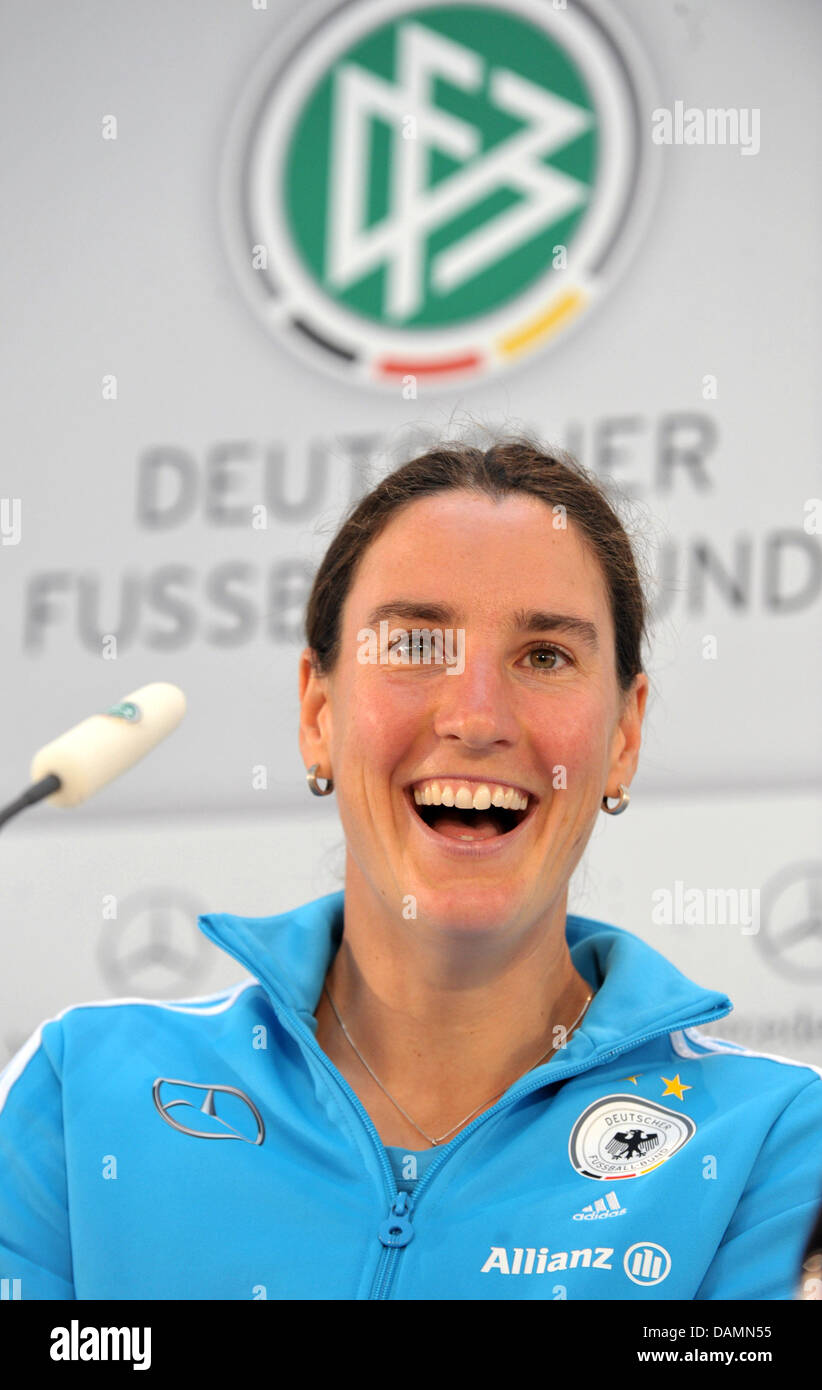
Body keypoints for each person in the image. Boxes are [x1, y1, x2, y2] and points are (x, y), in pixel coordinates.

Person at [1, 437, 821, 1301]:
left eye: (545, 656)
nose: (476, 716)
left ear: (624, 737)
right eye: (415, 645)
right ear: (319, 713)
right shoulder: (83, 1086)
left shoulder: (773, 1143)